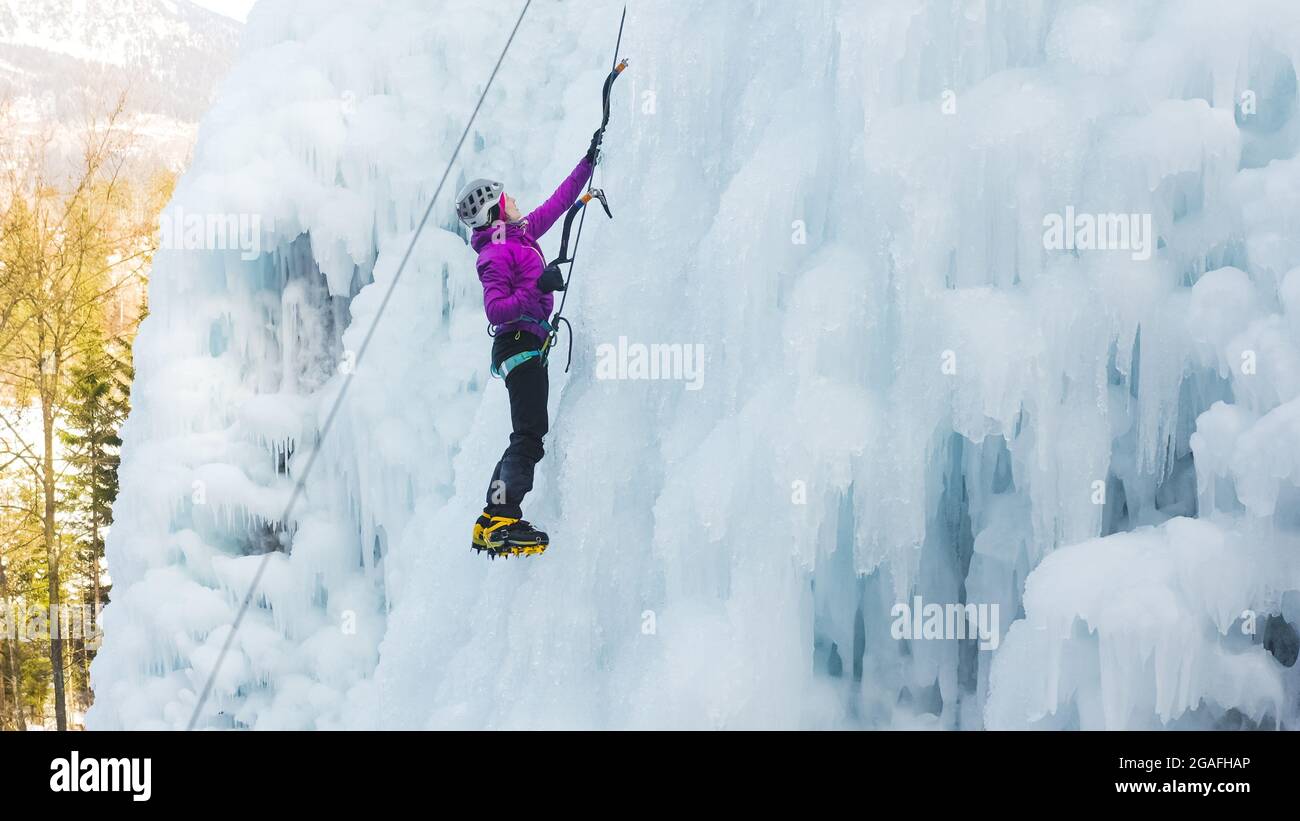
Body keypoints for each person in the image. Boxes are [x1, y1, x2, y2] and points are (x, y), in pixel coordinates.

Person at [456, 132, 602, 557]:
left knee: (525, 433)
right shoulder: (494, 254)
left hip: (523, 346)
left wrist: (587, 161)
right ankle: (503, 515)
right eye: (508, 199)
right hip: (518, 344)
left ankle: (491, 517)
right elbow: (495, 309)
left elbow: (556, 206)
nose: (516, 202)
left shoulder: (516, 237)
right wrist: (537, 285)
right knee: (530, 435)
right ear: (495, 210)